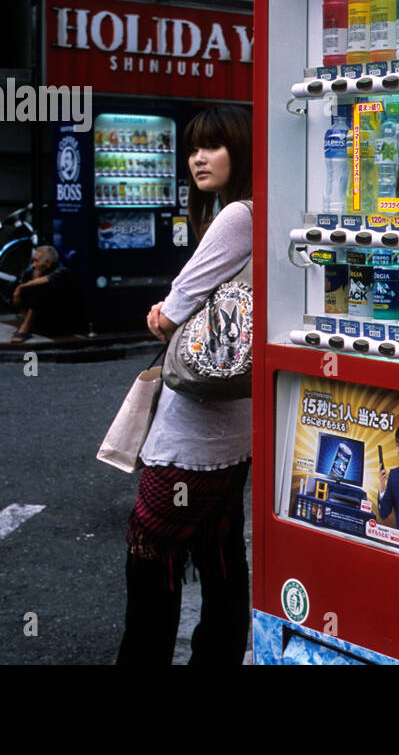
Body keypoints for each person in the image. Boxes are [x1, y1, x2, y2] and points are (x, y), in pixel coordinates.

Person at [116, 105, 253, 666]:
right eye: (193, 147)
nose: (198, 157)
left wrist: (162, 314)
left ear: (240, 151)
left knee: (150, 551)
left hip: (194, 431)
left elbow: (168, 315)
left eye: (214, 146)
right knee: (219, 551)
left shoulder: (236, 217)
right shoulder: (259, 212)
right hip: (236, 425)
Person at [10, 245, 81, 342]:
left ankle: (26, 327)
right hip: (43, 319)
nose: (34, 265)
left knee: (37, 289)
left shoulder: (63, 272)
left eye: (37, 261)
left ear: (48, 263)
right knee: (18, 289)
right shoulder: (32, 271)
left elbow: (46, 280)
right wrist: (19, 289)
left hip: (60, 320)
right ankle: (28, 323)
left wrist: (22, 287)